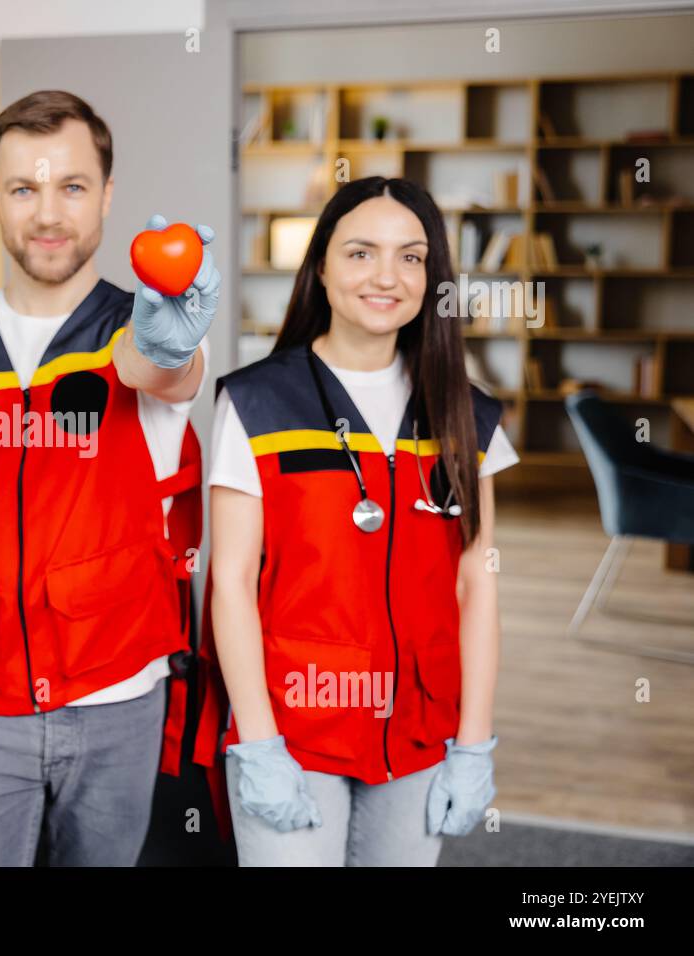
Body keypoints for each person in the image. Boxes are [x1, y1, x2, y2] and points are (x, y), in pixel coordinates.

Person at [0, 90, 219, 866]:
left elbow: (167, 373)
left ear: (107, 194)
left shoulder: (137, 336)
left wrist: (171, 349)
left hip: (118, 704)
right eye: (24, 188)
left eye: (71, 186)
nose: (48, 213)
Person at [196, 176, 517, 866]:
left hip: (420, 733)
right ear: (322, 267)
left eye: (410, 257)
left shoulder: (467, 414)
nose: (386, 276)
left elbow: (477, 587)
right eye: (361, 252)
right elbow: (231, 586)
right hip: (293, 728)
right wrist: (257, 742)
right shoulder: (256, 404)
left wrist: (474, 741)